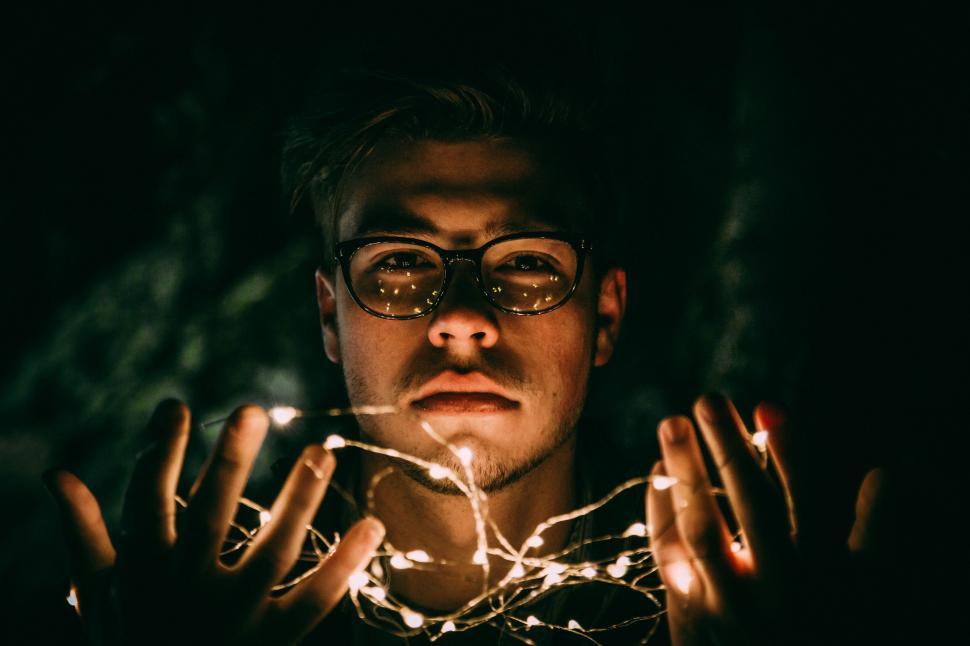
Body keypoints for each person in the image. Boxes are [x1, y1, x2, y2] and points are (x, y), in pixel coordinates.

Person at [44, 65, 894, 645]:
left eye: (526, 262)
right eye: (401, 262)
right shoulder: (184, 611)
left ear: (605, 316)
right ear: (329, 316)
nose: (460, 320)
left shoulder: (758, 610)